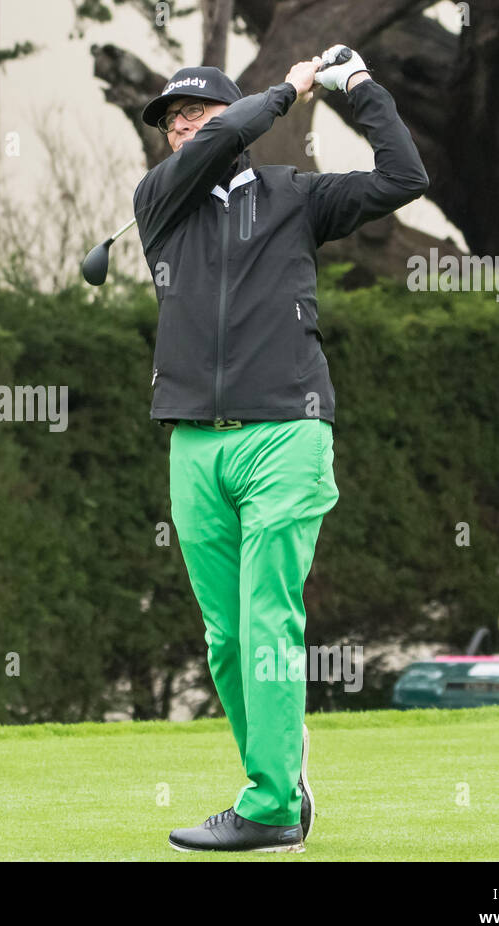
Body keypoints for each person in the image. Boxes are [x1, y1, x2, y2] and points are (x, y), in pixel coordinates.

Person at [133, 46, 429, 853]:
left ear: (231, 118)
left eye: (198, 112)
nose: (184, 126)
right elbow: (227, 135)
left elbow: (404, 178)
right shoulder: (161, 200)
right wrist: (285, 89)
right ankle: (283, 778)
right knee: (225, 640)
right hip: (194, 442)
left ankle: (267, 806)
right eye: (173, 119)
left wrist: (359, 88)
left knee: (268, 618)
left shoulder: (294, 197)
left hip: (288, 433)